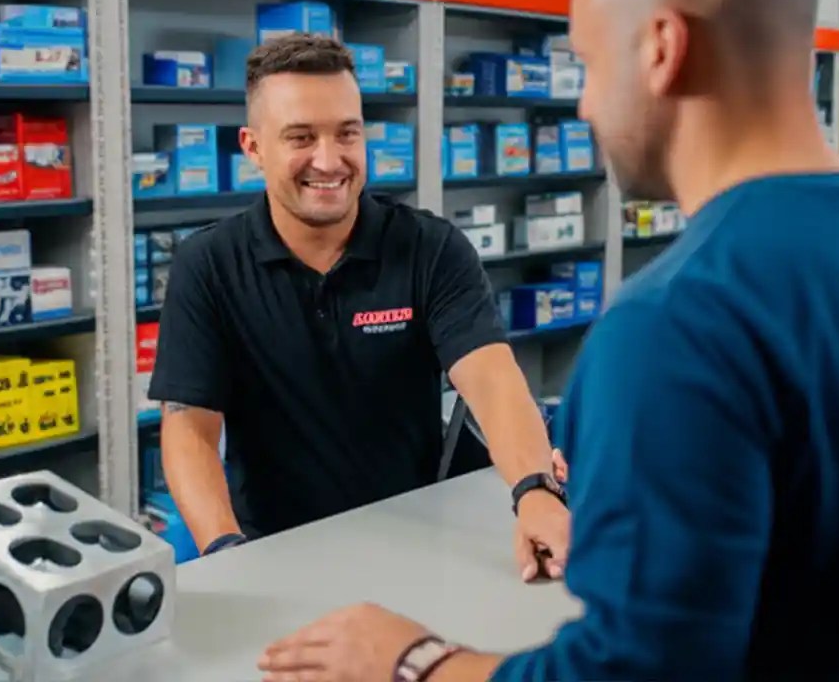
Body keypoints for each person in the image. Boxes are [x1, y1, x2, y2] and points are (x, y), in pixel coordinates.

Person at [256, 0, 839, 681]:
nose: (588, 106)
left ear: (661, 47)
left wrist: (415, 661)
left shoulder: (674, 326)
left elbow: (634, 672)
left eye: (591, 64)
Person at [147, 33, 571, 578]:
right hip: (275, 550)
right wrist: (228, 554)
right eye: (301, 136)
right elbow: (189, 430)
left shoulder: (429, 248)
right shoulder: (207, 265)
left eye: (346, 133)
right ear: (252, 147)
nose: (329, 160)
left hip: (422, 534)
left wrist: (535, 490)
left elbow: (492, 379)